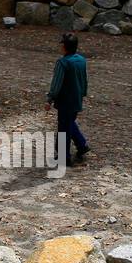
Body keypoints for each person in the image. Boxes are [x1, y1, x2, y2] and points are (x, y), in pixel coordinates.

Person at [46, 32, 90, 166]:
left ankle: (64, 158)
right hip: (77, 98)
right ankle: (82, 145)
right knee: (69, 122)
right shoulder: (82, 60)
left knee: (63, 128)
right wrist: (83, 93)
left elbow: (56, 83)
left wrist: (50, 98)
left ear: (64, 47)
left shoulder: (63, 63)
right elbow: (84, 79)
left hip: (65, 101)